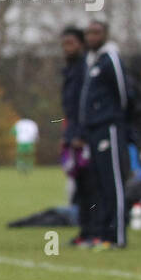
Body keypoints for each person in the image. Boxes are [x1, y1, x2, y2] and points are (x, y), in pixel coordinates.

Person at [75, 19, 132, 248]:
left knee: (113, 183)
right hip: (93, 131)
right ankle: (104, 234)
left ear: (105, 34)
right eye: (88, 33)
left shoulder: (111, 59)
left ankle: (118, 236)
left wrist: (113, 119)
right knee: (98, 184)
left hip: (109, 128)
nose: (91, 37)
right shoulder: (92, 61)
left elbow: (123, 95)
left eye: (96, 32)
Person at [58, 26, 94, 246]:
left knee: (91, 185)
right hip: (73, 134)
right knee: (79, 185)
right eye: (64, 44)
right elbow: (70, 108)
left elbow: (84, 106)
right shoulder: (70, 69)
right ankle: (85, 230)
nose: (66, 48)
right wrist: (67, 134)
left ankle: (94, 230)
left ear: (80, 44)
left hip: (86, 137)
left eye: (70, 43)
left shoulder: (85, 68)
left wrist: (81, 134)